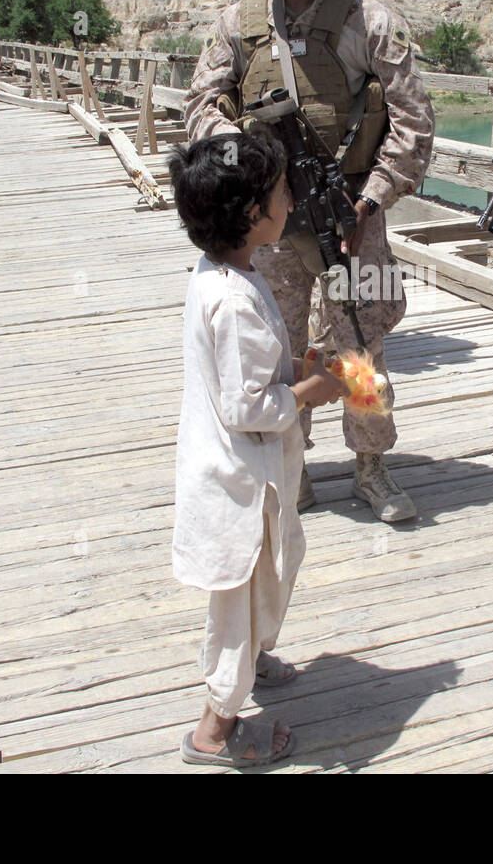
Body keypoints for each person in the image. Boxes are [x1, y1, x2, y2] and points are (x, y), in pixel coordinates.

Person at [185, 0, 434, 524]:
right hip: (269, 220)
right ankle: (289, 467)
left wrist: (374, 196)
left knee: (358, 344)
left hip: (351, 214)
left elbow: (413, 118)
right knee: (273, 345)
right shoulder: (238, 25)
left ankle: (372, 467)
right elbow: (200, 104)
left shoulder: (369, 21)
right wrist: (244, 146)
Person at [169, 133, 344, 767]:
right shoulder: (236, 300)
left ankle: (255, 656)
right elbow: (247, 408)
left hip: (250, 477)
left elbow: (242, 372)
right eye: (278, 192)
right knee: (239, 602)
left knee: (276, 569)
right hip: (241, 487)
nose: (291, 197)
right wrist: (311, 391)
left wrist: (296, 366)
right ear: (251, 214)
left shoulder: (227, 273)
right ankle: (213, 728)